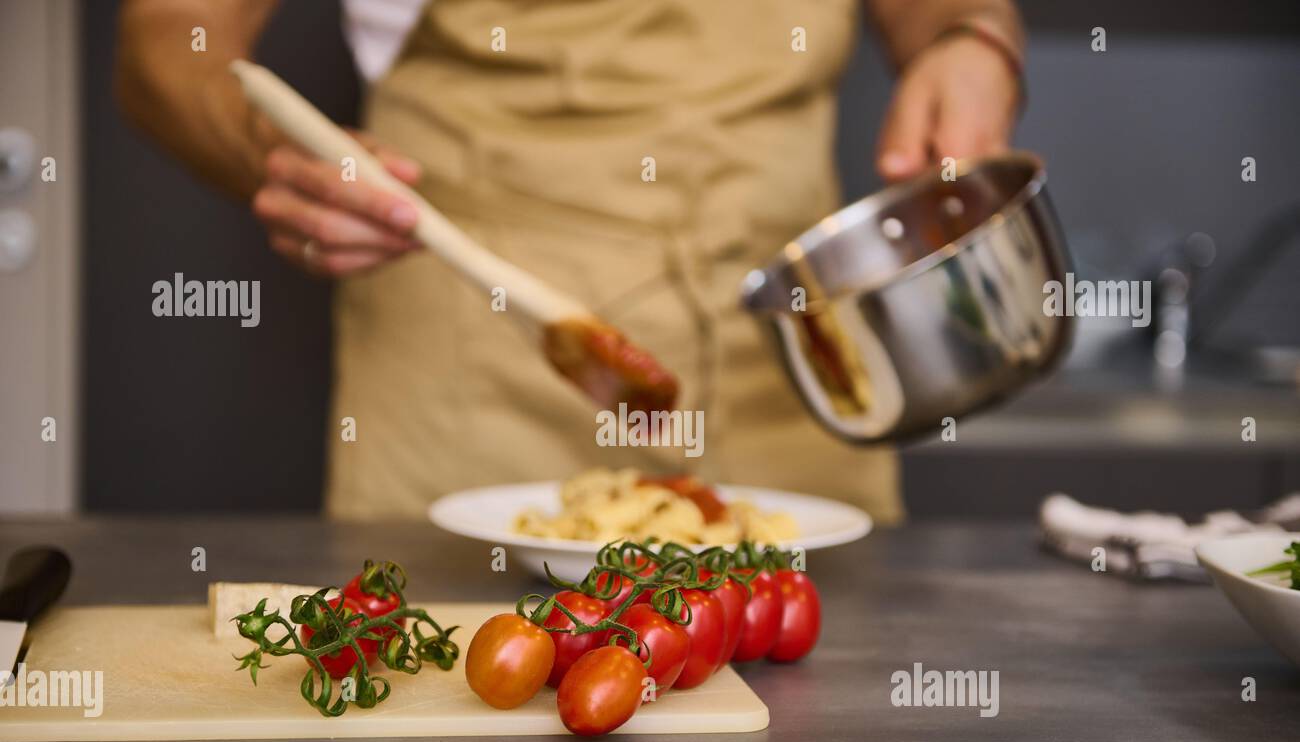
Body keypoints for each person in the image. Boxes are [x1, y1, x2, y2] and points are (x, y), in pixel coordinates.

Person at [116, 0, 1024, 521]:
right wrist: (266, 158)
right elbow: (170, 37)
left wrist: (969, 40)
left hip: (792, 339)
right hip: (474, 352)